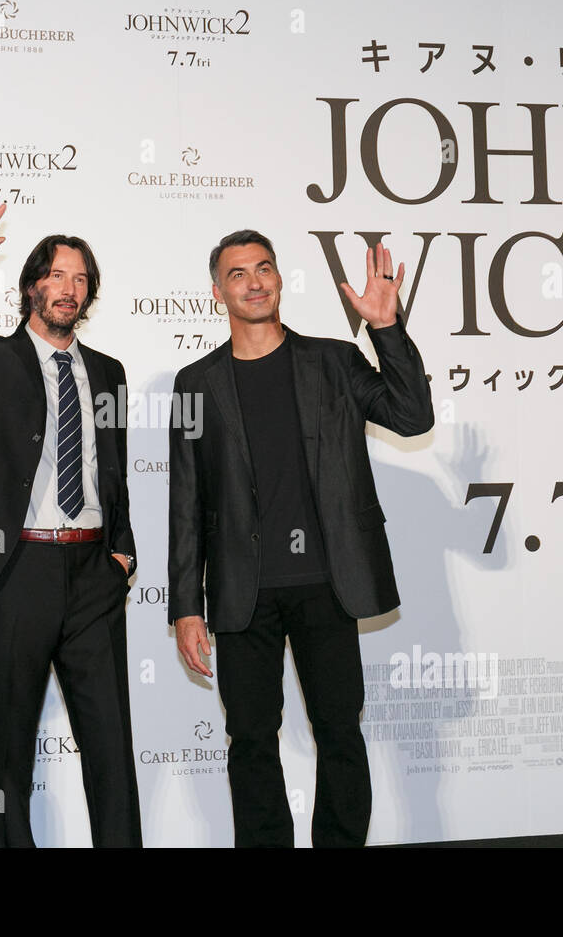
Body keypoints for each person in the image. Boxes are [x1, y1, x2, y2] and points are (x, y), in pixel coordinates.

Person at [168, 231, 433, 847]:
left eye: (264, 268)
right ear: (218, 293)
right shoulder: (194, 383)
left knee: (340, 730)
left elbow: (413, 416)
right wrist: (186, 605)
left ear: (280, 280)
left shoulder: (335, 362)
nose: (254, 281)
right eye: (238, 274)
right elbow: (186, 500)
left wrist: (388, 330)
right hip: (242, 590)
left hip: (326, 581)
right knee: (252, 741)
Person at [0, 193, 141, 847]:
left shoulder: (108, 373)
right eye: (57, 276)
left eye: (80, 279)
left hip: (95, 574)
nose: (69, 289)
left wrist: (121, 552)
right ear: (31, 287)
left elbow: (115, 470)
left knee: (111, 745)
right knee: (10, 745)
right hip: (17, 572)